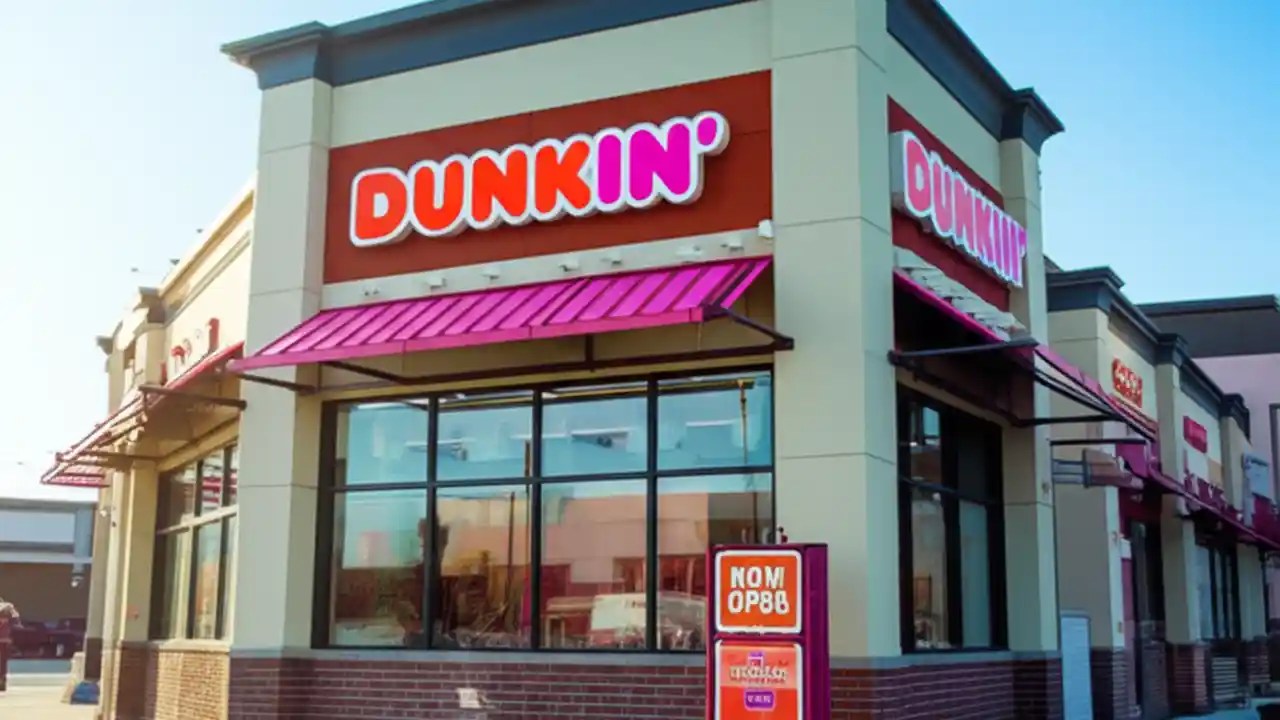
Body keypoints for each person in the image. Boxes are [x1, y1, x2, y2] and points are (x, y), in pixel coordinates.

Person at [0, 596, 19, 693]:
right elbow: (16, 618)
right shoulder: (9, 607)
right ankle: (2, 680)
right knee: (3, 662)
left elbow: (15, 618)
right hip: (4, 639)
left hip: (4, 639)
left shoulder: (8, 607)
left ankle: (2, 680)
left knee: (3, 661)